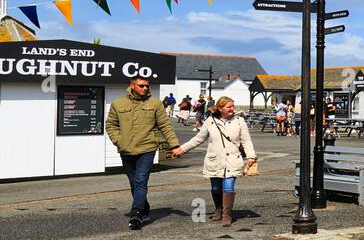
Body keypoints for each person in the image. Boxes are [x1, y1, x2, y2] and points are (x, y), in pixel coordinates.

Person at [106, 75, 183, 230]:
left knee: (141, 180)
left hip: (147, 148)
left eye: (147, 86)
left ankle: (136, 213)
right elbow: (111, 125)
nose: (145, 88)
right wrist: (118, 140)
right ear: (132, 85)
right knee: (134, 182)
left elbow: (165, 125)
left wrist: (174, 145)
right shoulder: (118, 104)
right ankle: (144, 208)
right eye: (142, 85)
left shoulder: (154, 103)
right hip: (126, 149)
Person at [177, 95, 257, 227]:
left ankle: (227, 215)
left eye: (233, 106)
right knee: (215, 188)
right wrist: (182, 149)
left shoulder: (239, 121)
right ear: (220, 108)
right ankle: (218, 209)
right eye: (229, 106)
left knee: (228, 186)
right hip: (214, 160)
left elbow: (246, 140)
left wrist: (251, 156)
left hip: (233, 159)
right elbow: (198, 139)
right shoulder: (210, 120)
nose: (232, 109)